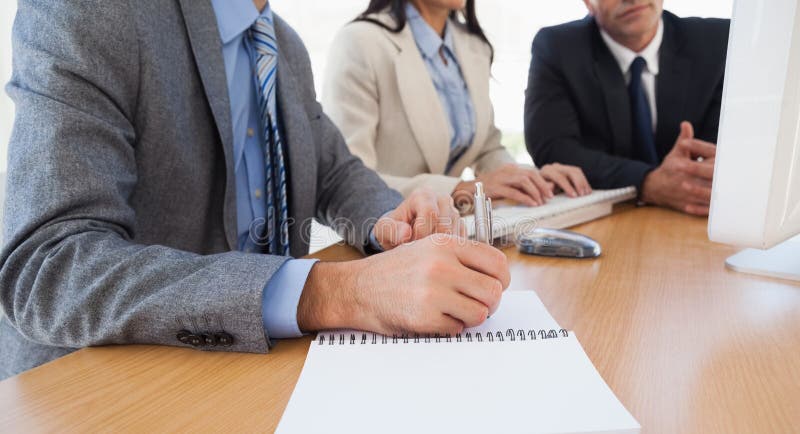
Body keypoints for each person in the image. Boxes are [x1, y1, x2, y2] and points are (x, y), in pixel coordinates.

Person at [0, 0, 510, 380]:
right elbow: (49, 265)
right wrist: (329, 292)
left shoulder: (282, 44)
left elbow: (335, 170)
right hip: (98, 386)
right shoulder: (93, 12)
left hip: (254, 373)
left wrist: (393, 221)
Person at [323, 0, 591, 209]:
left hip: (445, 232)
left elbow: (486, 148)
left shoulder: (473, 44)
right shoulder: (360, 43)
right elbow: (347, 180)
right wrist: (459, 189)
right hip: (379, 239)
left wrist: (531, 179)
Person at [524, 0, 730, 216]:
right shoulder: (558, 48)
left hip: (698, 216)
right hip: (610, 220)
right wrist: (648, 183)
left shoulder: (718, 42)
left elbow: (727, 147)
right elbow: (553, 149)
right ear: (588, 3)